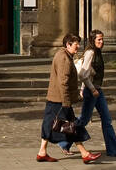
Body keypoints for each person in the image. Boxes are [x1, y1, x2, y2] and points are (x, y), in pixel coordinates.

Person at [37, 33, 100, 163]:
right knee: (71, 126)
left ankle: (42, 152)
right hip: (60, 100)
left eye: (78, 44)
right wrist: (66, 102)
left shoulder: (64, 55)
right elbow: (63, 82)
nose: (78, 47)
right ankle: (85, 154)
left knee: (50, 124)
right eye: (76, 44)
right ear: (68, 44)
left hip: (55, 98)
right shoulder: (64, 59)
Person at [78, 30, 116, 158]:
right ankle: (65, 140)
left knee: (107, 119)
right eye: (99, 40)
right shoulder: (90, 53)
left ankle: (114, 150)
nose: (101, 42)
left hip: (97, 91)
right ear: (93, 40)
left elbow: (88, 73)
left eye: (102, 39)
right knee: (83, 120)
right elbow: (82, 74)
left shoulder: (97, 52)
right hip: (92, 91)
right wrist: (89, 89)